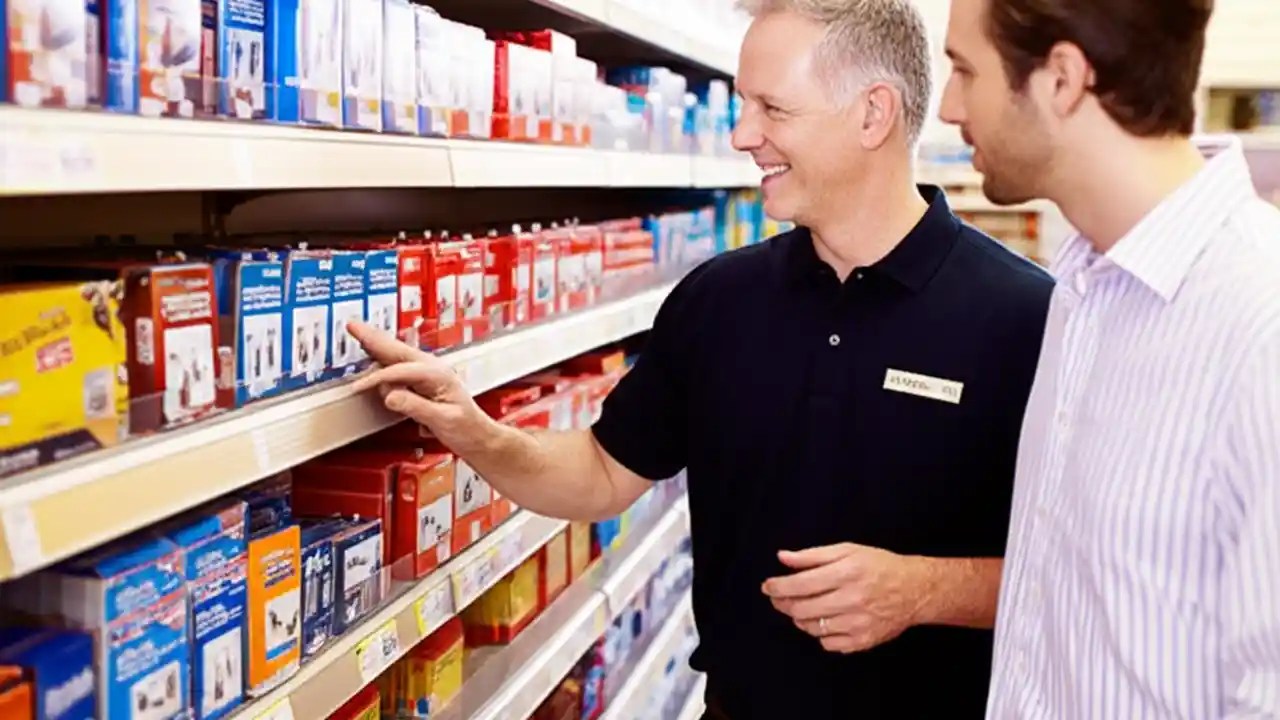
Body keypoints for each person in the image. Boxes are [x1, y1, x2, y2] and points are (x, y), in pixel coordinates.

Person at [350, 0, 1052, 716]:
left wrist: (924, 590)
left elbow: (1086, 582)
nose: (743, 135)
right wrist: (474, 432)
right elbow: (599, 475)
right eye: (743, 104)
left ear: (873, 115)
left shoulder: (1026, 319)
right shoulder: (720, 301)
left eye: (772, 108)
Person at [939, 0, 1280, 717]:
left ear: (1061, 79)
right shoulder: (1082, 291)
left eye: (965, 70)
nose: (947, 107)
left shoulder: (1260, 327)